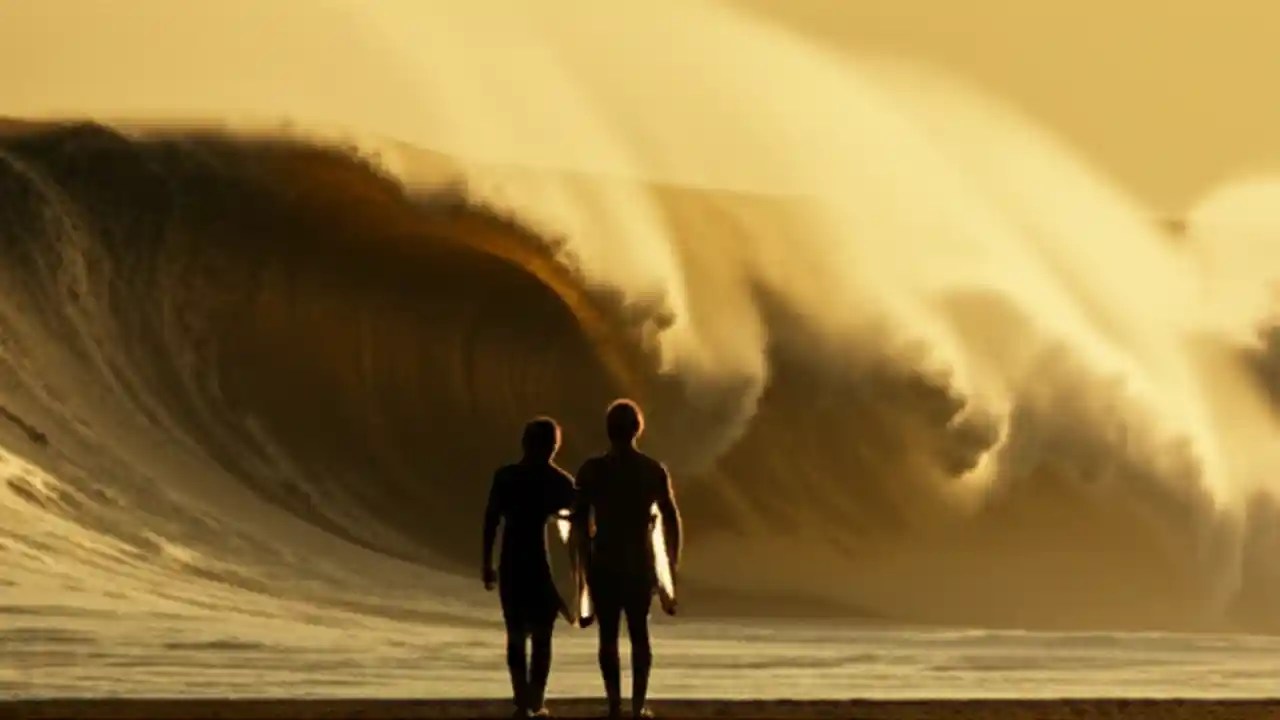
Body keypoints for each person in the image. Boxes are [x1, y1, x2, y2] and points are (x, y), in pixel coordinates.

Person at [573, 399, 682, 719]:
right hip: (638, 561)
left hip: (604, 559)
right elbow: (671, 517)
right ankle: (637, 706)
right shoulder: (652, 470)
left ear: (608, 430)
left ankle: (613, 705)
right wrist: (671, 566)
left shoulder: (591, 470)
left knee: (607, 635)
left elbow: (578, 521)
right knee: (639, 634)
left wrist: (580, 571)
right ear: (638, 429)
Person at [482, 417, 577, 718]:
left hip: (510, 561)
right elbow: (580, 528)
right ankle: (535, 699)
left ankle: (521, 699)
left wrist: (487, 563)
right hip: (539, 564)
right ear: (553, 447)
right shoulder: (559, 482)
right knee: (541, 635)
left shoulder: (506, 477)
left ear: (525, 442)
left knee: (515, 633)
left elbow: (491, 521)